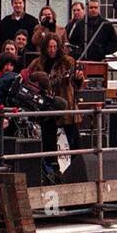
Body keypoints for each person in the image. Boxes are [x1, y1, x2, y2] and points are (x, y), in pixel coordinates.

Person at [24, 34, 84, 177]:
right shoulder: (37, 63)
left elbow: (77, 85)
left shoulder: (68, 62)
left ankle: (78, 170)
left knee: (74, 140)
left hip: (66, 104)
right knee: (49, 140)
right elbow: (29, 81)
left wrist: (78, 78)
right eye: (49, 47)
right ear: (45, 47)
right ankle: (52, 171)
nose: (52, 50)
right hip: (47, 106)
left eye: (55, 47)